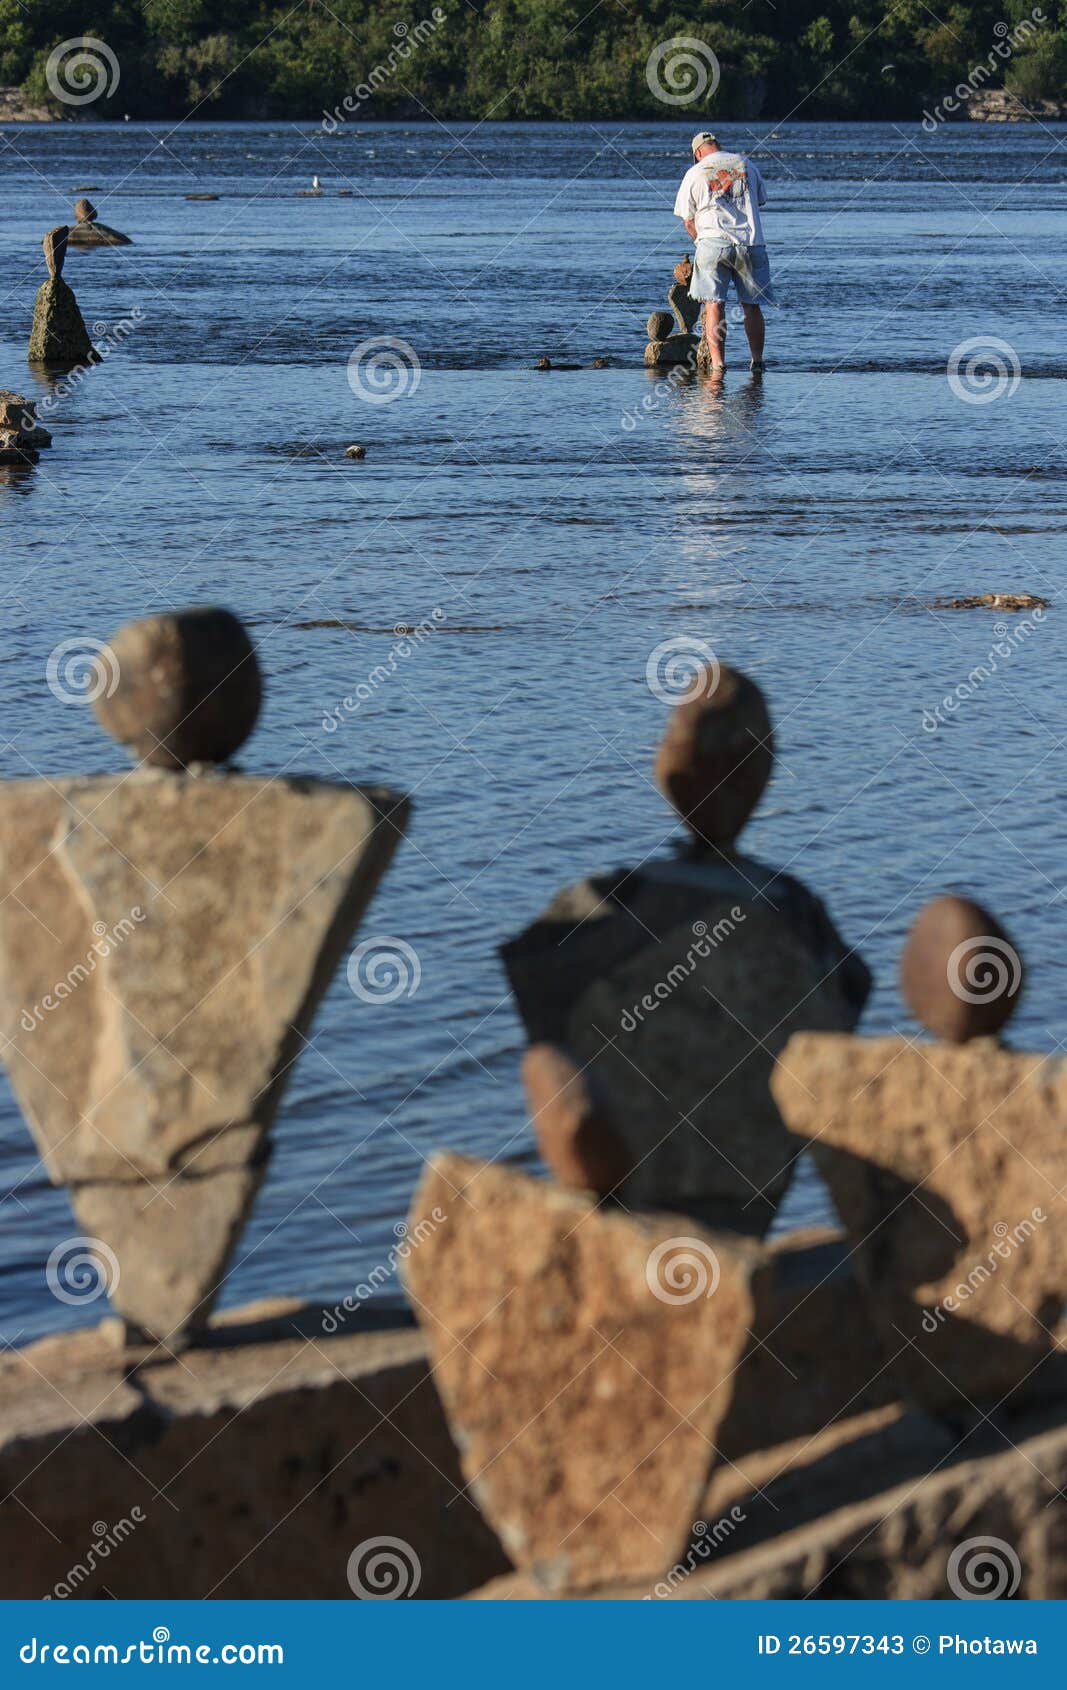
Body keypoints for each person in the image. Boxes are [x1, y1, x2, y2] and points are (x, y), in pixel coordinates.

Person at [673, 130, 774, 377]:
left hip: (712, 244)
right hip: (751, 243)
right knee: (752, 307)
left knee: (715, 303)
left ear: (697, 153)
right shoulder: (746, 164)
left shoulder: (695, 172)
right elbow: (760, 201)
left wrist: (700, 243)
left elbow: (688, 220)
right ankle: (757, 361)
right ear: (718, 146)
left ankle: (718, 364)